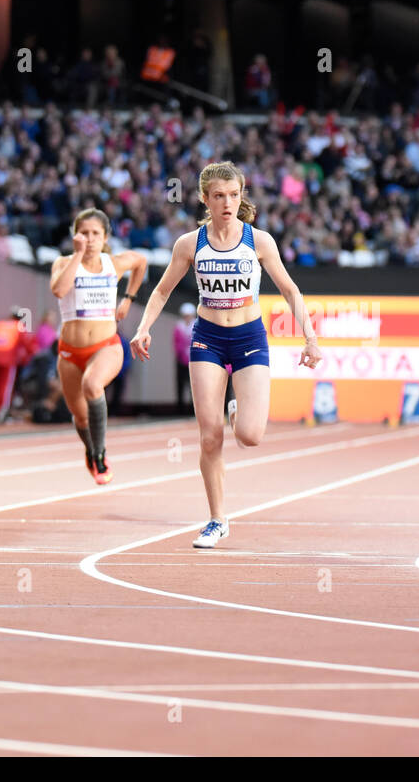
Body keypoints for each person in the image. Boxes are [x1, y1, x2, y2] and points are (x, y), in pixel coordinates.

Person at [130, 161, 322, 548]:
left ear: (242, 196)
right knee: (209, 437)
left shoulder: (259, 241)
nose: (227, 202)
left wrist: (310, 338)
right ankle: (217, 519)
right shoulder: (190, 243)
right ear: (205, 198)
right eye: (219, 196)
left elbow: (290, 290)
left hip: (249, 336)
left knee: (249, 436)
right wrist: (143, 327)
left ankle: (236, 411)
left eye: (234, 195)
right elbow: (163, 291)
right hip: (208, 339)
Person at [50, 208, 147, 483]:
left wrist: (128, 298)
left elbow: (141, 262)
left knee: (93, 385)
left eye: (95, 234)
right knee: (80, 419)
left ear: (105, 237)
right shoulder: (63, 263)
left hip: (106, 346)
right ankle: (90, 450)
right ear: (74, 235)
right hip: (70, 353)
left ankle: (101, 454)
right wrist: (78, 255)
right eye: (83, 233)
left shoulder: (113, 263)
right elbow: (58, 290)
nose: (89, 239)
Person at [174, 301, 197, 410]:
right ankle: (181, 408)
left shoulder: (196, 325)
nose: (187, 317)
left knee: (194, 385)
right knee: (181, 384)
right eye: (185, 315)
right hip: (181, 360)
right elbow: (176, 343)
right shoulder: (179, 327)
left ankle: (194, 407)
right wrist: (180, 355)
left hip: (194, 360)